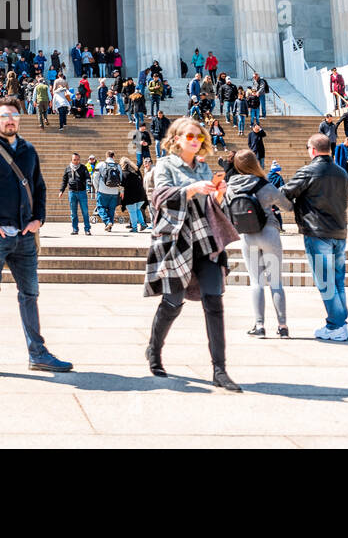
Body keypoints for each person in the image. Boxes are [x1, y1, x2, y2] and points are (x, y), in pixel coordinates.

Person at [0, 97, 71, 380]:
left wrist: (39, 219)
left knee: (30, 294)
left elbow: (40, 187)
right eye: (6, 116)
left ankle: (38, 353)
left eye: (15, 116)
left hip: (23, 239)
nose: (11, 120)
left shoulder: (28, 150)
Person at [142, 116, 241, 391]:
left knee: (214, 301)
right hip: (177, 239)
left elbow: (208, 203)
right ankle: (154, 349)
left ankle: (219, 370)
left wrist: (218, 193)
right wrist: (191, 189)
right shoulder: (165, 165)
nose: (196, 141)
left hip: (205, 239)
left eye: (199, 137)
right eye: (189, 136)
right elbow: (159, 196)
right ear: (175, 139)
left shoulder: (204, 167)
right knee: (172, 302)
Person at [281, 133, 348, 341]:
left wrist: (291, 207)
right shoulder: (341, 173)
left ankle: (336, 325)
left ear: (312, 149)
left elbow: (283, 193)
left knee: (325, 282)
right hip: (339, 231)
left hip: (317, 232)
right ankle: (340, 323)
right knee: (338, 281)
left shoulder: (309, 171)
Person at [224, 149, 294, 339]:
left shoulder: (230, 187)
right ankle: (282, 326)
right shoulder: (264, 184)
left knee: (256, 282)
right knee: (276, 282)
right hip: (269, 233)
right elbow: (287, 206)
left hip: (248, 235)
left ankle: (259, 326)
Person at [59, 152, 92, 235]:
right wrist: (61, 191)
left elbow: (87, 176)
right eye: (74, 160)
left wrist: (88, 181)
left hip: (82, 192)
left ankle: (87, 229)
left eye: (78, 159)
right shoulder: (68, 169)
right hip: (72, 193)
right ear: (71, 160)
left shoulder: (83, 168)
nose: (76, 161)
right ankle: (75, 229)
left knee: (85, 212)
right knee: (73, 213)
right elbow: (64, 181)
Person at [91, 150, 122, 232]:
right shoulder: (118, 166)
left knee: (100, 207)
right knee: (112, 209)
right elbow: (121, 179)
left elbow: (95, 177)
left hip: (103, 190)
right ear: (113, 156)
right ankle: (109, 226)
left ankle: (108, 222)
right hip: (114, 192)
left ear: (106, 156)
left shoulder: (101, 164)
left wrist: (97, 188)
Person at [120, 158, 148, 232]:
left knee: (132, 211)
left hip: (131, 196)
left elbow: (121, 186)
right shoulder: (136, 171)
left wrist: (121, 194)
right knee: (137, 209)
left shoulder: (123, 173)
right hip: (141, 194)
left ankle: (134, 228)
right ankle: (143, 224)